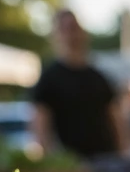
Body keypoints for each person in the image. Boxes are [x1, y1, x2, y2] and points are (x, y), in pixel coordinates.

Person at [32, 10, 124, 159]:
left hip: (106, 159)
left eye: (74, 28)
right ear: (56, 35)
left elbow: (116, 118)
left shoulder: (99, 77)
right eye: (65, 29)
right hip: (70, 163)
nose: (71, 35)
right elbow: (40, 125)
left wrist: (123, 151)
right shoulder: (49, 79)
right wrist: (50, 160)